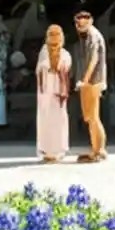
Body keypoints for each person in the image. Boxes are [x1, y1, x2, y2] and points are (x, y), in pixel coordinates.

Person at [72, 9, 109, 163]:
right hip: (88, 82)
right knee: (89, 117)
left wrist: (85, 81)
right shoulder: (85, 37)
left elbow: (93, 60)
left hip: (93, 82)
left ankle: (99, 150)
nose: (80, 26)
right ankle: (95, 149)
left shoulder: (93, 36)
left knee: (94, 117)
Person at [35, 24, 72, 163]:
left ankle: (59, 148)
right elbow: (41, 67)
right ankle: (46, 149)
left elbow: (66, 68)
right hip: (46, 90)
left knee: (59, 118)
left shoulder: (65, 54)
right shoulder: (44, 51)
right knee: (45, 118)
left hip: (58, 89)